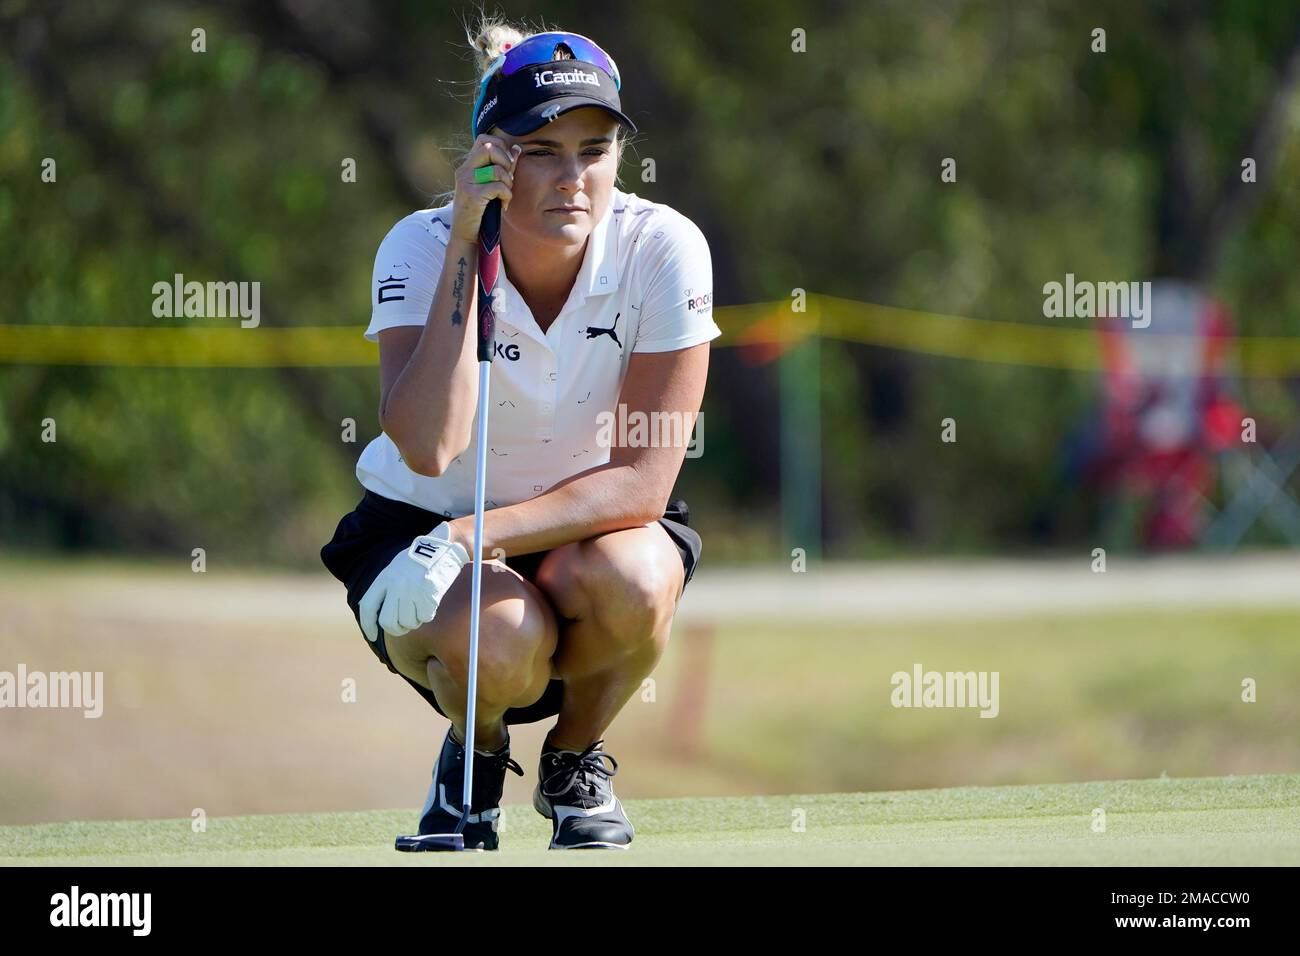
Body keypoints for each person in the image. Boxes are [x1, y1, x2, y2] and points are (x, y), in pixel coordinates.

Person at [320, 17, 719, 850]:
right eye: (541, 150)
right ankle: (477, 754)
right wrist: (472, 239)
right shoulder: (421, 246)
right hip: (419, 531)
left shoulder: (663, 247)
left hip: (578, 534)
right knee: (500, 637)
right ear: (491, 156)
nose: (573, 177)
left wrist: (471, 539)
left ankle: (574, 760)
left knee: (643, 579)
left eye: (595, 149)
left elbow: (643, 485)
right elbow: (431, 445)